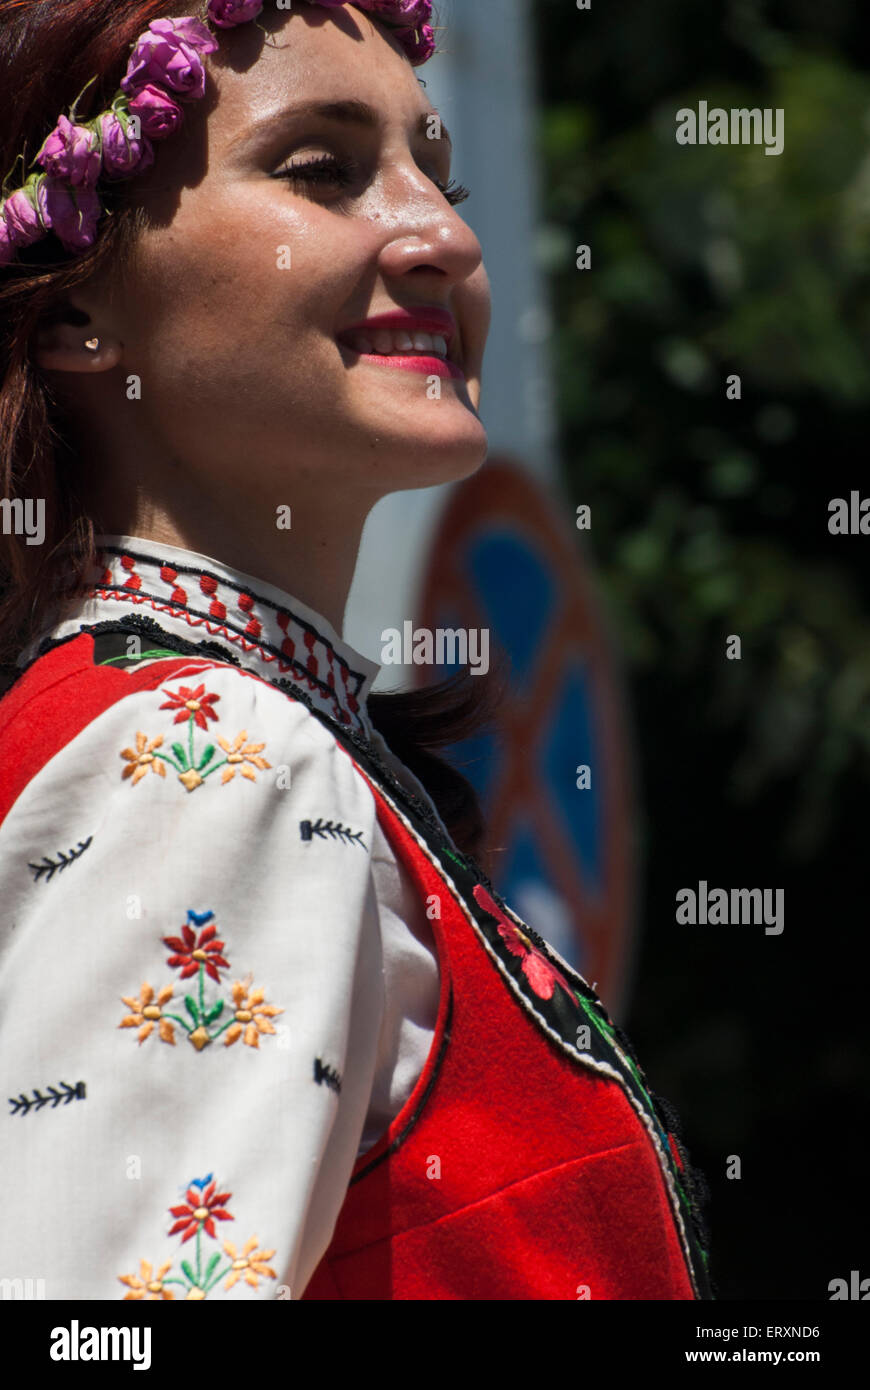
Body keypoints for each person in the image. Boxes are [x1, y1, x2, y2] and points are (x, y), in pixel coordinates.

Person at [0, 0, 713, 1300]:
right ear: (74, 308)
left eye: (438, 175)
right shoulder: (211, 760)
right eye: (318, 170)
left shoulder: (132, 724)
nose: (442, 235)